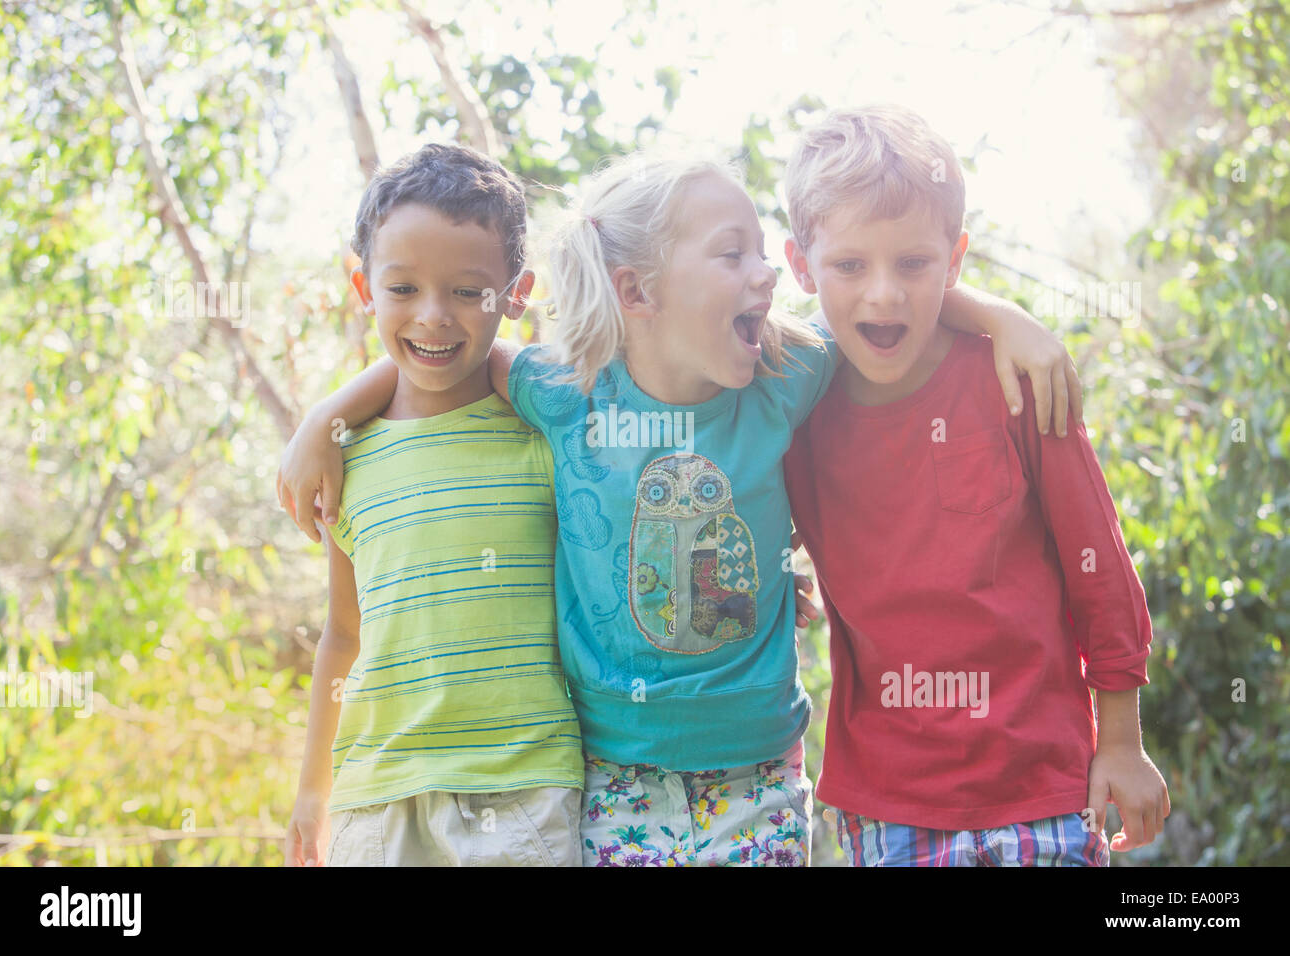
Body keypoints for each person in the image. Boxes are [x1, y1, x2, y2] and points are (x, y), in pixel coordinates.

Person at [277, 148, 1081, 865]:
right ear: (636, 289)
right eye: (734, 254)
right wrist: (329, 416)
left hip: (758, 769)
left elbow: (881, 308)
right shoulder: (566, 396)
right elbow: (453, 355)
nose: (765, 276)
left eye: (764, 254)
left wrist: (1000, 316)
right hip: (613, 774)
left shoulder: (780, 380)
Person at [781, 105, 1170, 866]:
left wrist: (1120, 741)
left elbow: (1102, 568)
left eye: (915, 265)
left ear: (955, 258)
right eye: (850, 266)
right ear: (801, 266)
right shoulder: (789, 403)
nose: (884, 296)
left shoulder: (1016, 381)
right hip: (885, 799)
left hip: (1044, 785)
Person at [283, 143, 583, 867]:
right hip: (377, 800)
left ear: (517, 291)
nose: (435, 317)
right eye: (405, 288)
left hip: (524, 794)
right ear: (364, 288)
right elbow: (344, 636)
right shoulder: (345, 457)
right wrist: (314, 789)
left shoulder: (547, 438)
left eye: (468, 291)